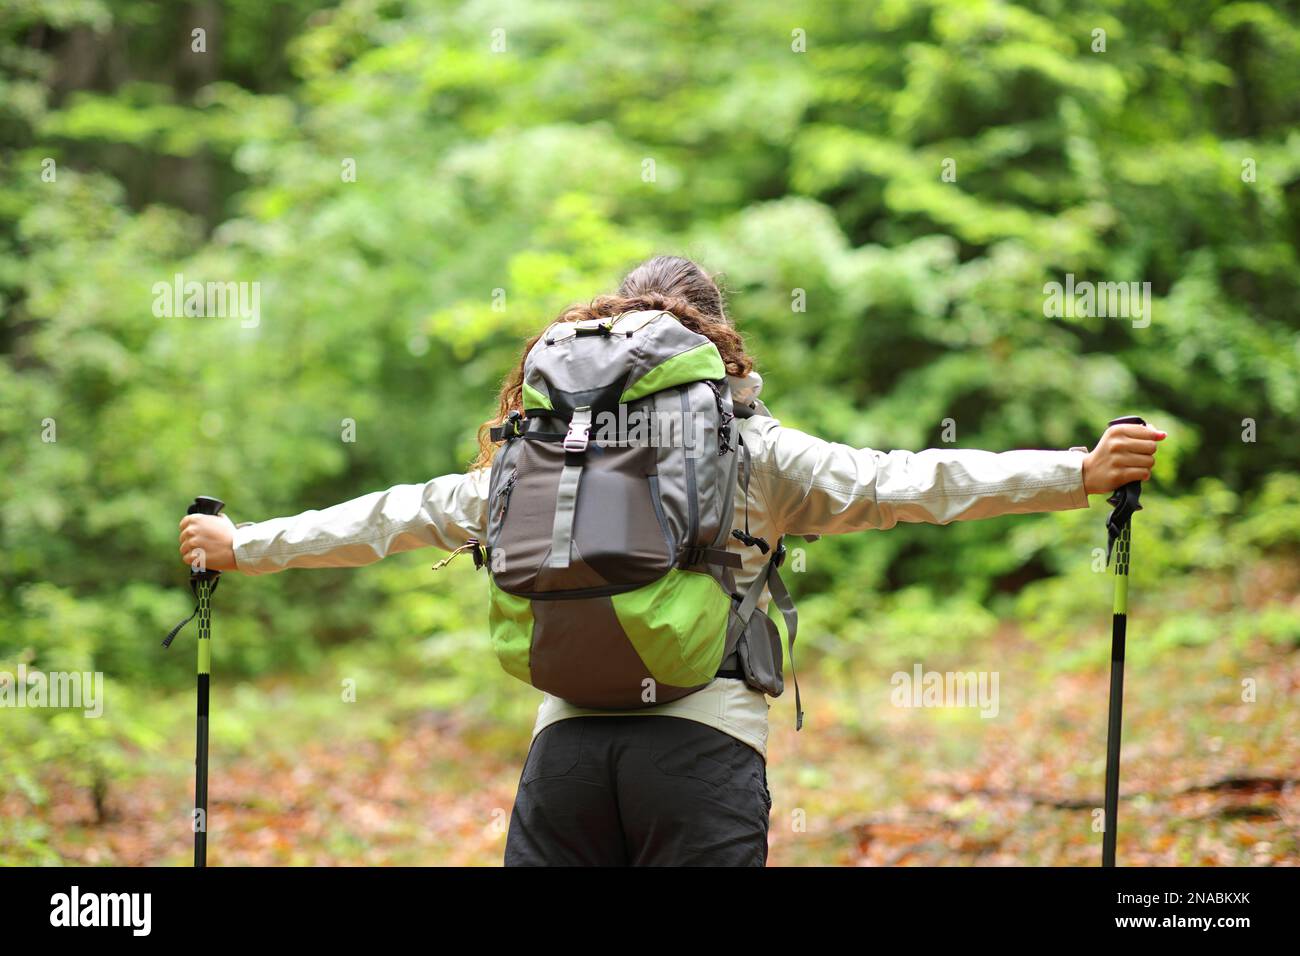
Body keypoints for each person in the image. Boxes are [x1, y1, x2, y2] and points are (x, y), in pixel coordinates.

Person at [177, 255, 1166, 866]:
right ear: (720, 344)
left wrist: (241, 547)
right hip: (703, 754)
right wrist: (1074, 472)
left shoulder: (545, 455)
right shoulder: (757, 452)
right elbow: (906, 480)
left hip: (561, 755)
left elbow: (394, 515)